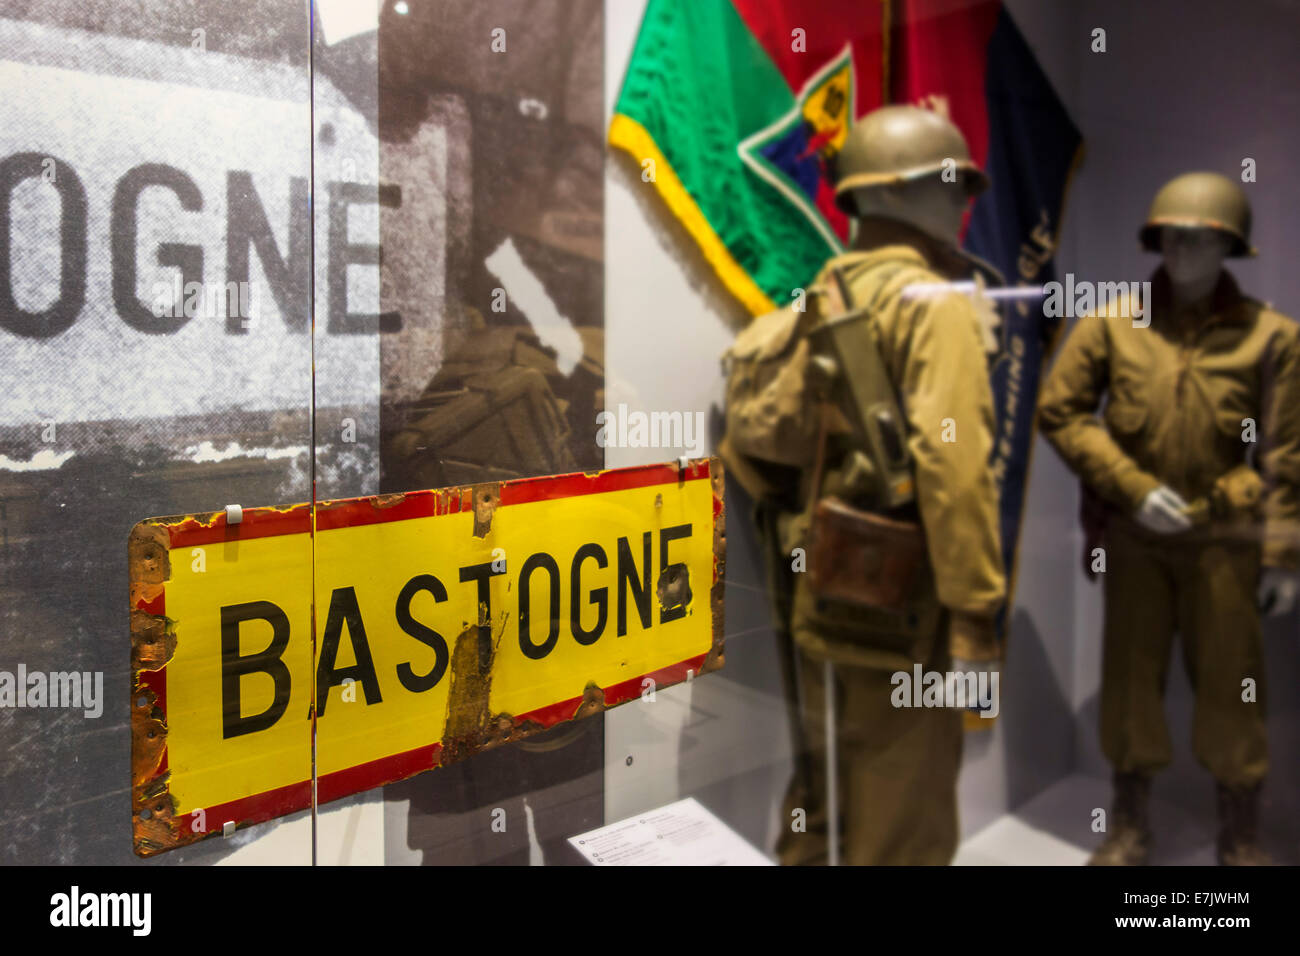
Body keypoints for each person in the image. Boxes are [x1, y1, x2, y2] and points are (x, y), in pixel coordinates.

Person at [726, 104, 1006, 865]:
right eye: (950, 183)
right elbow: (955, 473)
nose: (964, 201)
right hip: (902, 597)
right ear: (893, 192)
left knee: (823, 788)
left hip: (811, 582)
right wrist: (977, 618)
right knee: (902, 806)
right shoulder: (934, 304)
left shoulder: (815, 295)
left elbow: (753, 449)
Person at [1037, 171, 1300, 866]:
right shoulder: (1111, 326)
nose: (1180, 251)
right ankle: (1128, 824)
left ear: (1229, 248)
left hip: (1225, 542)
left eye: (1199, 238)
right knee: (1129, 681)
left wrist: (1281, 556)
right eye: (1169, 237)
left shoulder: (1273, 340)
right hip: (1135, 541)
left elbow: (1287, 456)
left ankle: (1240, 831)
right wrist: (1128, 485)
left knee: (1232, 685)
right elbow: (1059, 413)